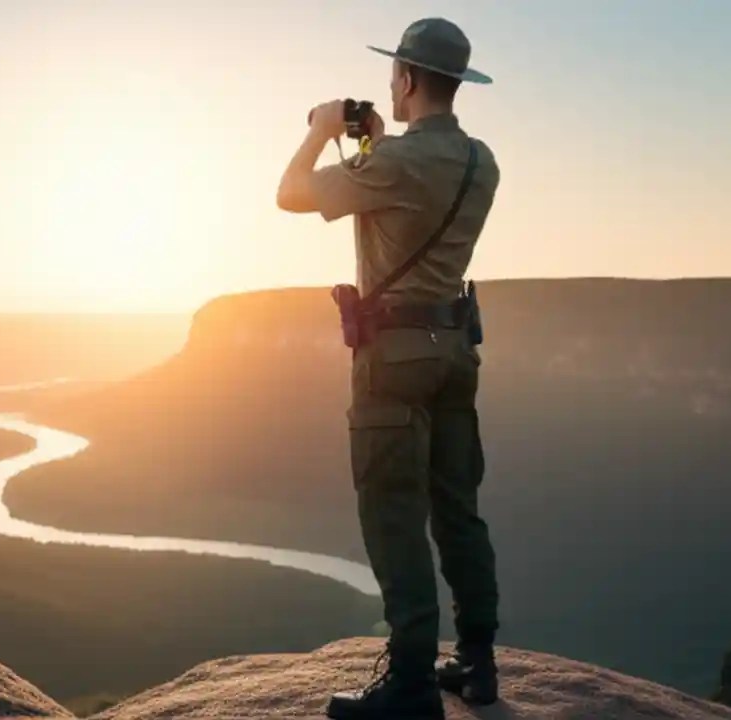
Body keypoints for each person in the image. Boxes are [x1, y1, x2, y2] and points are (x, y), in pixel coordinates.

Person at [276, 17, 502, 720]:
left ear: (404, 79)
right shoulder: (481, 161)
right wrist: (374, 141)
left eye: (394, 74)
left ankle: (409, 683)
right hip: (455, 353)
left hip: (393, 361)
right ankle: (477, 661)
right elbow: (410, 199)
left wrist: (323, 131)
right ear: (455, 83)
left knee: (394, 515)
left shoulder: (395, 162)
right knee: (458, 510)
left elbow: (291, 192)